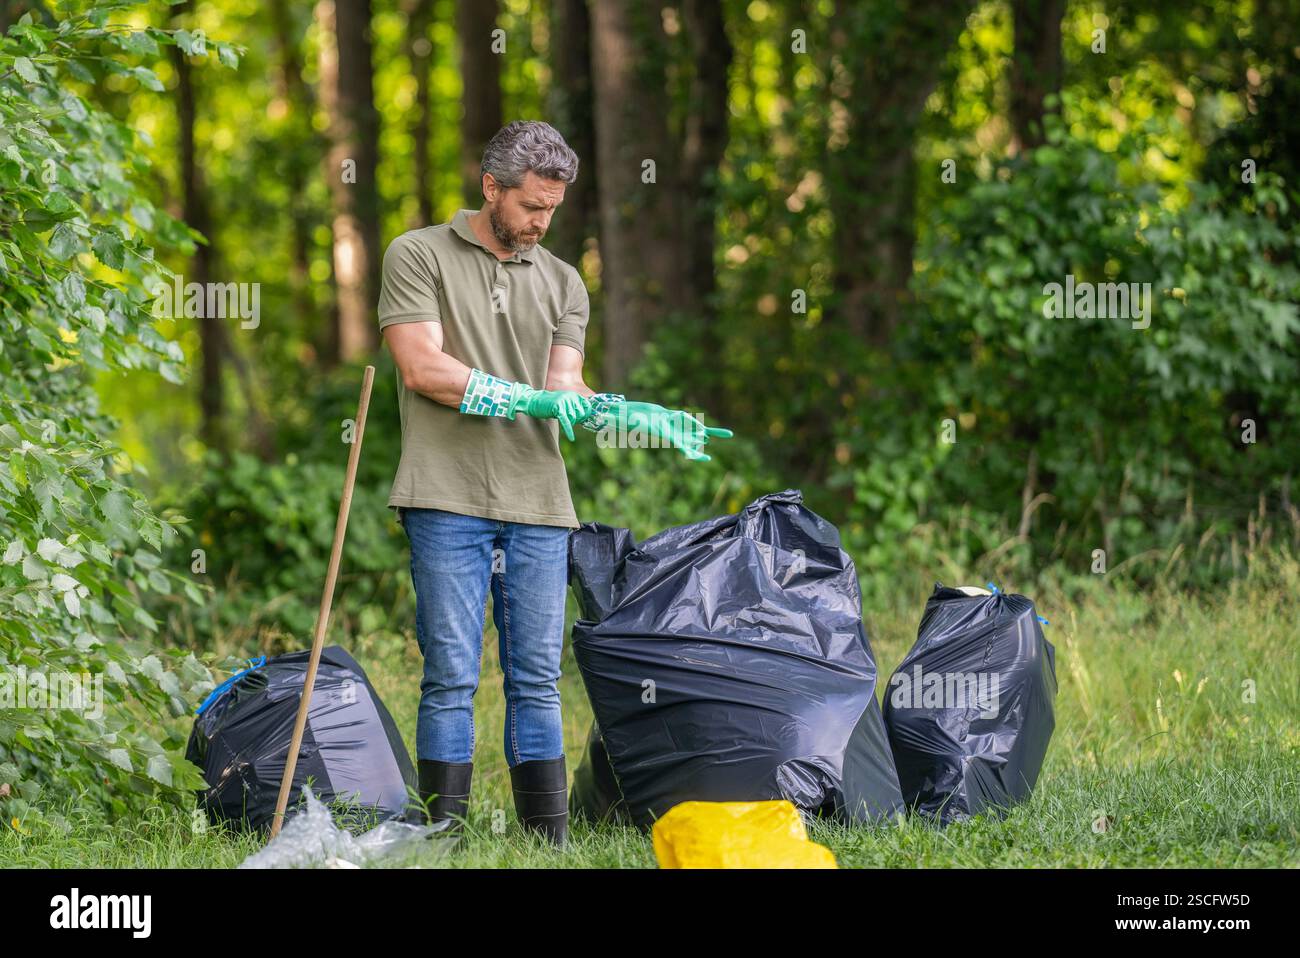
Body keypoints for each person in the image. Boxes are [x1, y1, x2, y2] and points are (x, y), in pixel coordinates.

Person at [378, 120, 730, 846]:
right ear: (491, 188)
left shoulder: (565, 283)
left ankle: (548, 843)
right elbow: (422, 369)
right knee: (450, 675)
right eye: (531, 206)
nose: (541, 222)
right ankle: (441, 838)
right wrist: (529, 400)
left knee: (536, 676)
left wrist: (627, 413)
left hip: (539, 502)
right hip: (444, 496)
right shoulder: (418, 255)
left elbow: (561, 386)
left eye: (552, 209)